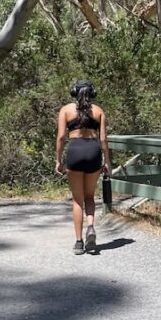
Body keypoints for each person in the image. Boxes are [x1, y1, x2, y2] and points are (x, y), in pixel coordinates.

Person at [55, 80, 110, 254]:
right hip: (93, 151)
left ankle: (79, 242)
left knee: (77, 199)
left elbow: (61, 137)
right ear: (92, 93)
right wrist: (107, 161)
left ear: (73, 92)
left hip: (75, 151)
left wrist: (58, 160)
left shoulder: (66, 110)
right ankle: (91, 228)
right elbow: (103, 140)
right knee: (89, 197)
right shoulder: (99, 111)